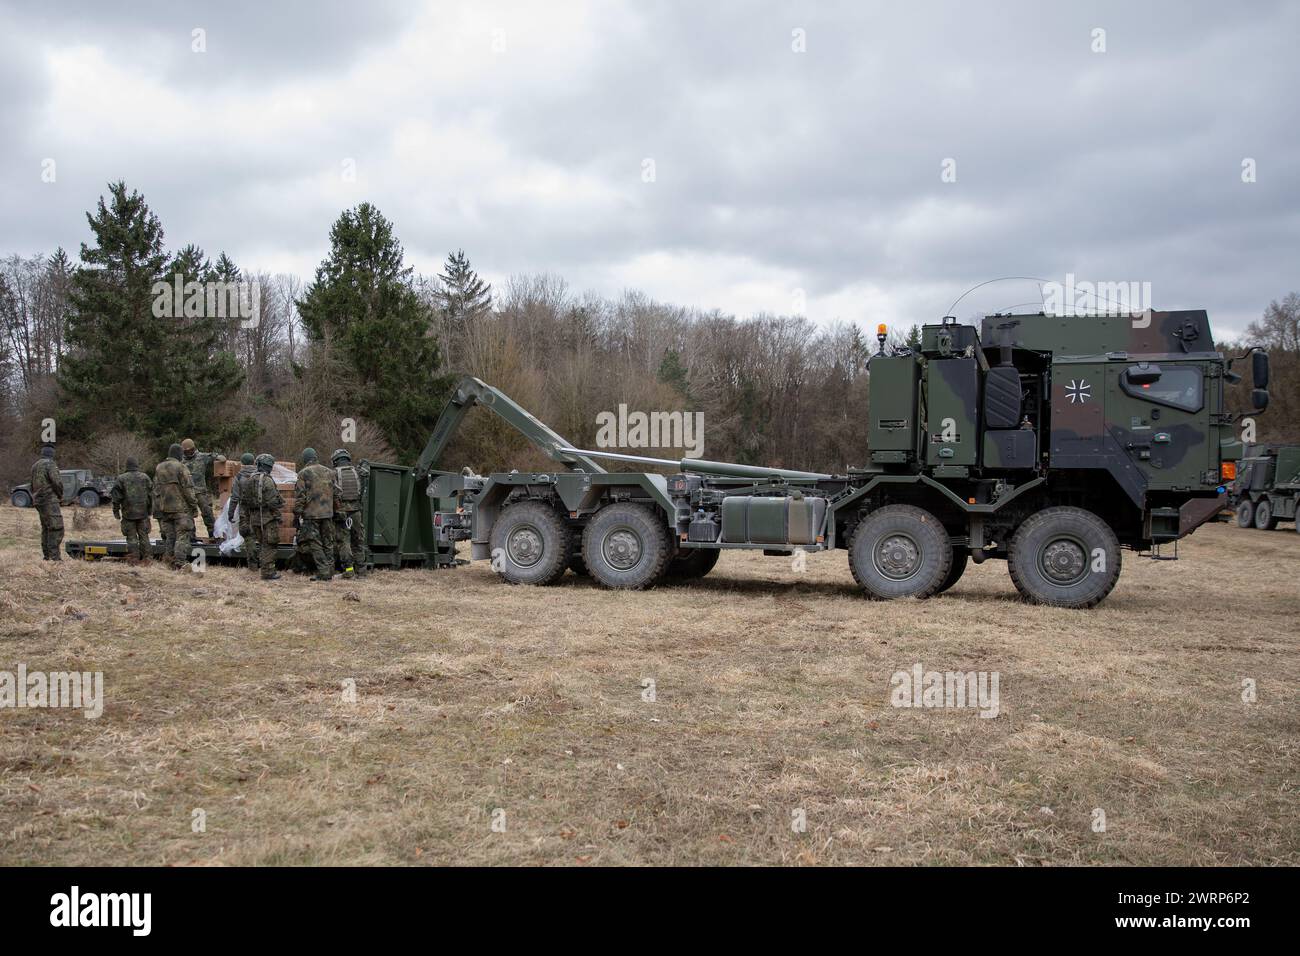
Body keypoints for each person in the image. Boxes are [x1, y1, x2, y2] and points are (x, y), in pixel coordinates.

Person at [154, 443, 199, 569]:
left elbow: (156, 489)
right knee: (182, 535)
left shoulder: (159, 468)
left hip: (164, 508)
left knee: (170, 536)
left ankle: (168, 560)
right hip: (181, 509)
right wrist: (194, 506)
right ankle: (180, 562)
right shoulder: (181, 467)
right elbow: (188, 489)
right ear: (179, 454)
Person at [294, 447, 335, 582]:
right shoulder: (330, 472)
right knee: (328, 543)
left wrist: (297, 514)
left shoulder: (304, 473)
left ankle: (323, 573)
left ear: (305, 459)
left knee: (315, 544)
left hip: (311, 515)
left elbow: (300, 496)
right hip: (328, 514)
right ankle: (330, 570)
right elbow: (337, 493)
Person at [331, 448, 368, 578]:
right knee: (358, 541)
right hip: (356, 512)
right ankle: (362, 572)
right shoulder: (358, 471)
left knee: (343, 542)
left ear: (335, 461)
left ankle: (349, 570)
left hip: (342, 513)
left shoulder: (333, 473)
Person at [180, 438, 226, 539]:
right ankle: (191, 537)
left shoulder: (202, 457)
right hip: (187, 493)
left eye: (190, 450)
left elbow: (218, 457)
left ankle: (213, 535)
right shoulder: (181, 462)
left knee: (207, 513)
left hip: (201, 491)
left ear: (194, 448)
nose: (189, 453)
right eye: (186, 451)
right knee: (188, 515)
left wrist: (220, 458)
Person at [111, 457, 153, 564]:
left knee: (131, 537)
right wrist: (150, 511)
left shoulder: (121, 479)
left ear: (127, 466)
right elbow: (151, 495)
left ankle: (134, 558)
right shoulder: (145, 477)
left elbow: (116, 498)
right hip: (143, 513)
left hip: (128, 513)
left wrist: (116, 511)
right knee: (144, 536)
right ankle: (147, 558)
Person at [249, 454, 282, 581]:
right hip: (268, 519)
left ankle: (265, 570)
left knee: (262, 544)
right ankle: (267, 572)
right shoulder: (267, 480)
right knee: (269, 545)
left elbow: (245, 500)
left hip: (255, 518)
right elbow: (273, 502)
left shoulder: (250, 479)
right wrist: (277, 514)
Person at [30, 443, 64, 561]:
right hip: (49, 500)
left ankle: (47, 556)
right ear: (52, 453)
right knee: (56, 527)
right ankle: (55, 557)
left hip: (39, 501)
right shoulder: (50, 464)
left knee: (46, 528)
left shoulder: (35, 466)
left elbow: (32, 484)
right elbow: (57, 482)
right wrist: (60, 495)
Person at [229, 452, 258, 571]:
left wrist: (230, 513)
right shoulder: (260, 475)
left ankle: (253, 566)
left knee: (248, 537)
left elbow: (235, 497)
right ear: (254, 462)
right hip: (260, 511)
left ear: (242, 463)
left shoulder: (239, 477)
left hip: (244, 511)